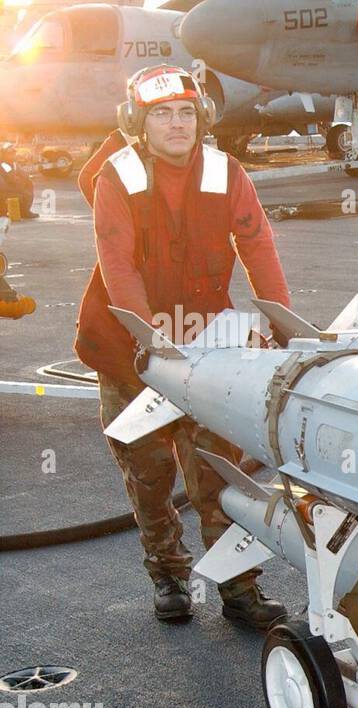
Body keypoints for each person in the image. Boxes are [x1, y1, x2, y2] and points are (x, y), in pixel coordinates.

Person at [75, 65, 290, 627]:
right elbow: (116, 261)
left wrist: (284, 323)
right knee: (149, 474)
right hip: (129, 349)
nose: (177, 124)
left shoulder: (226, 171)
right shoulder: (116, 177)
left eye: (187, 112)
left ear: (204, 118)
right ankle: (168, 574)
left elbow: (258, 246)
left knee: (219, 470)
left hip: (206, 348)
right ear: (138, 123)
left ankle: (239, 587)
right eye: (162, 114)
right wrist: (151, 344)